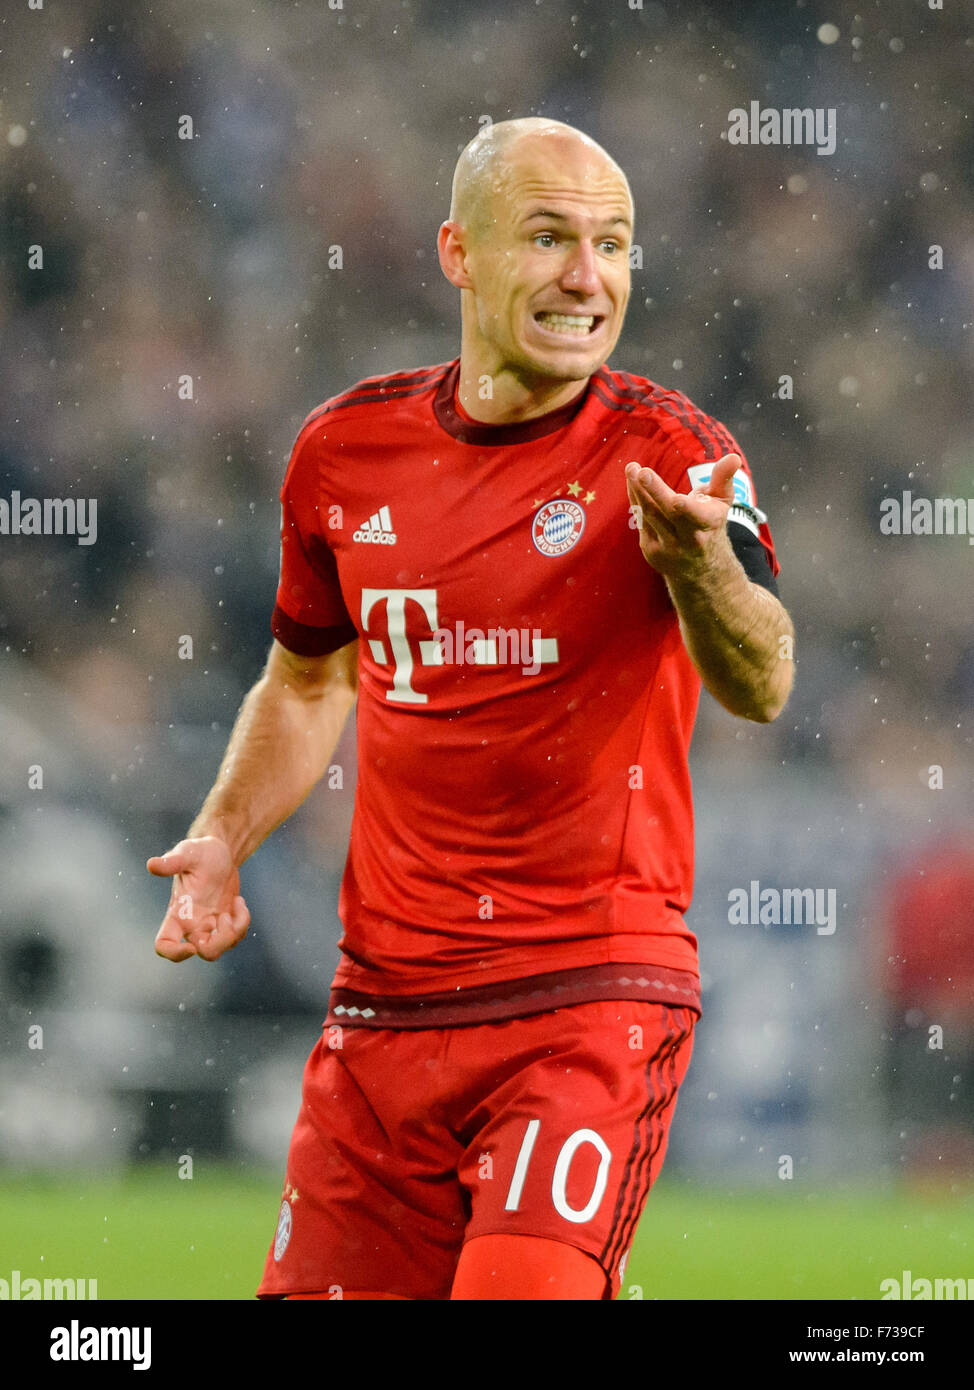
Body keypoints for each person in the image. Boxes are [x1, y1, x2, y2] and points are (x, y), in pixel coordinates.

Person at [148, 117, 794, 1301]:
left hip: (581, 1006)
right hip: (380, 1019)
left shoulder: (677, 455)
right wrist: (223, 839)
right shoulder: (343, 453)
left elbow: (761, 679)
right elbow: (308, 678)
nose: (585, 277)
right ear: (458, 251)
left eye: (612, 244)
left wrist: (699, 571)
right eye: (548, 237)